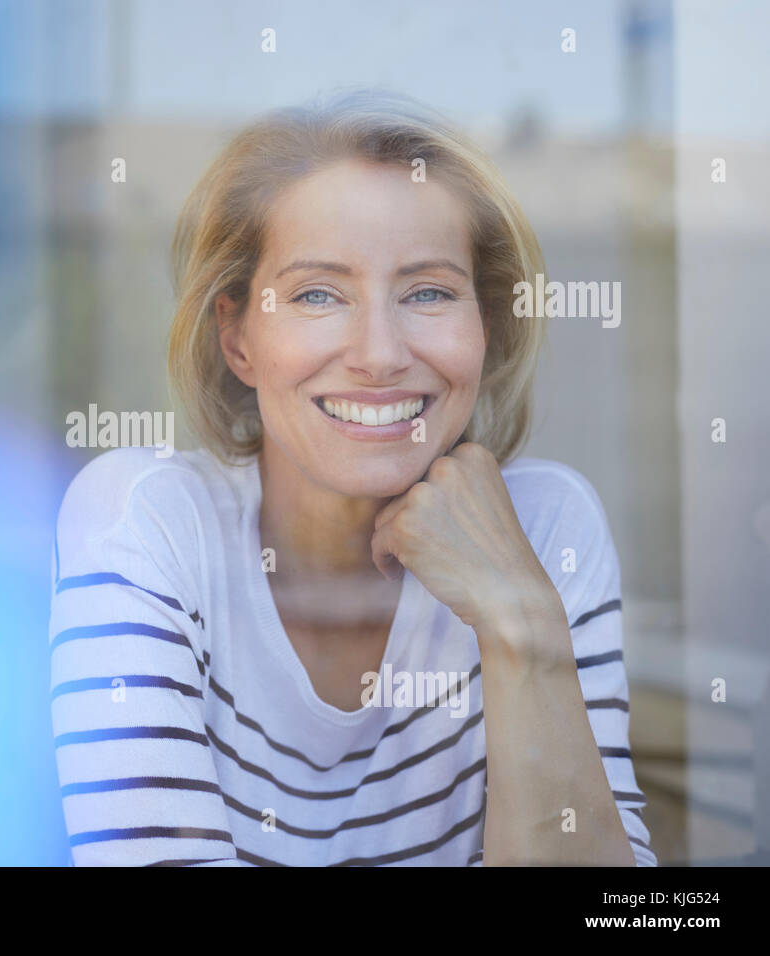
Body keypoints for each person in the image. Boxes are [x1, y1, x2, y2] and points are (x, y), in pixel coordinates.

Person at [48, 89, 655, 866]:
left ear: (483, 326)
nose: (379, 354)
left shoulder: (548, 527)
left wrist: (522, 626)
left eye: (428, 292)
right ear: (237, 339)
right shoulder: (145, 523)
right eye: (317, 294)